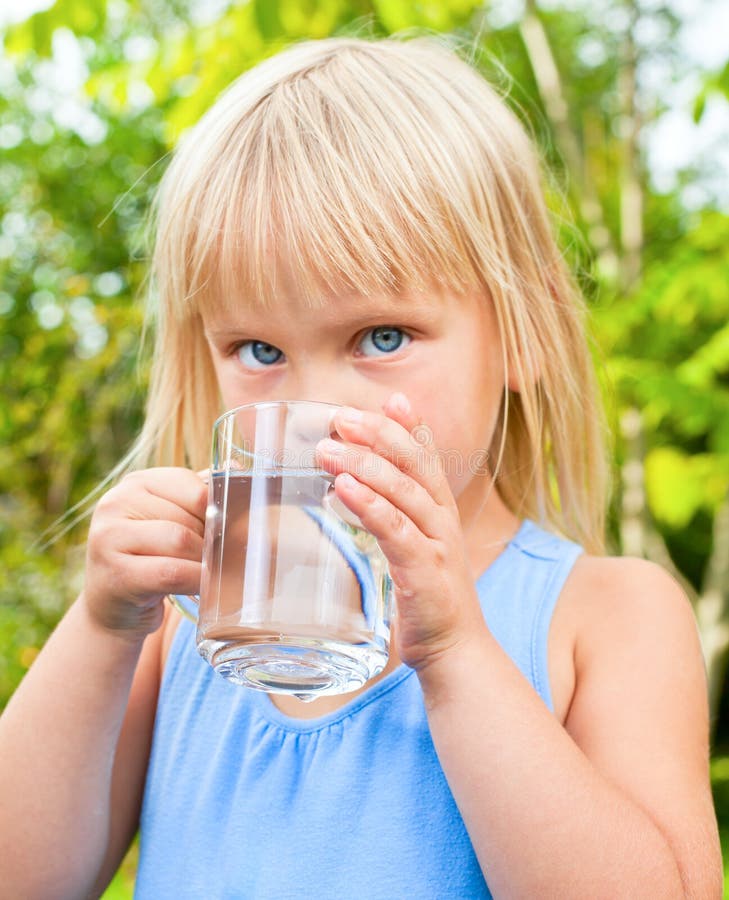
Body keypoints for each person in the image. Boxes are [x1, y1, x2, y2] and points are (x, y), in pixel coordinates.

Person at [0, 35, 722, 899]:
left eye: (381, 337)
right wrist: (101, 628)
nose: (319, 408)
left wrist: (455, 653)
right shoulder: (179, 623)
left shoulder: (607, 616)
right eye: (259, 348)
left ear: (521, 333)